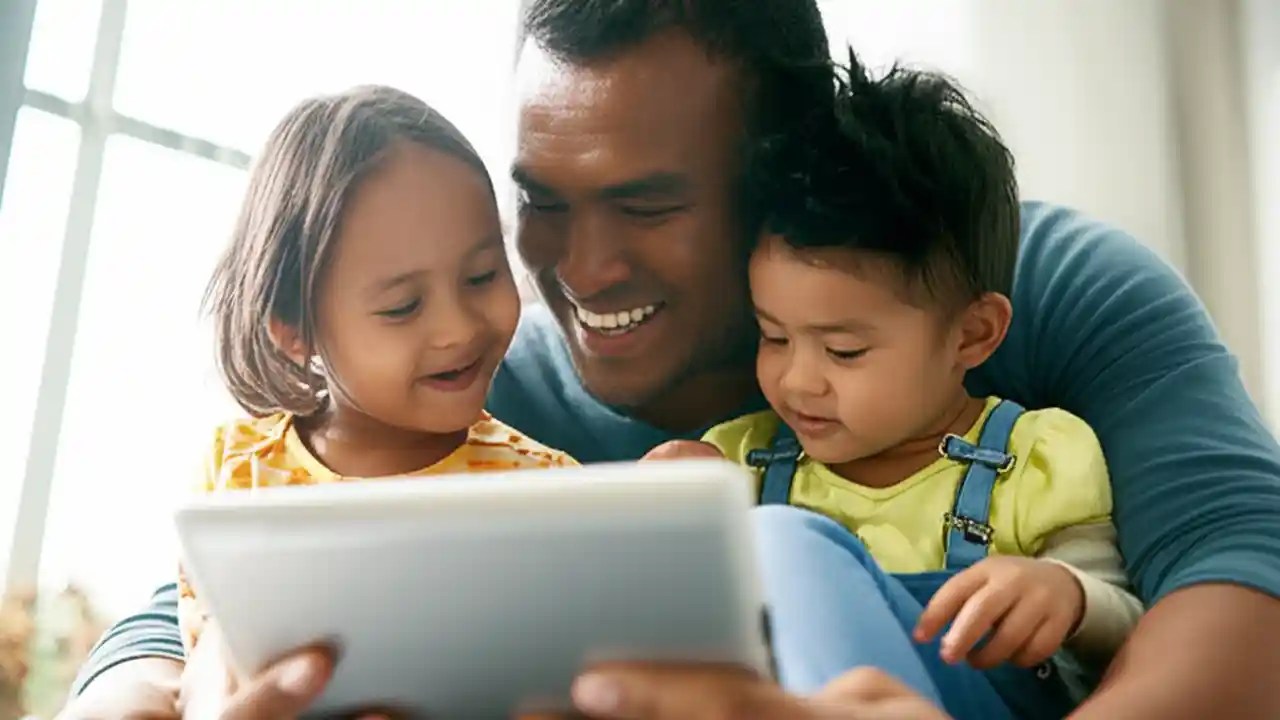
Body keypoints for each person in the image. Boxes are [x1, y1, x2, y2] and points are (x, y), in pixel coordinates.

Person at [61, 1, 1280, 718]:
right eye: (539, 202)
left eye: (645, 206)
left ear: (778, 180)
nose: (578, 272)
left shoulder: (1022, 279)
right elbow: (162, 628)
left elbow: (1244, 581)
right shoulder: (484, 394)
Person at [645, 52, 1140, 718]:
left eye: (844, 350)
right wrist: (661, 511)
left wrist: (1068, 595)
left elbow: (1129, 625)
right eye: (773, 336)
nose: (796, 380)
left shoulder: (1036, 455)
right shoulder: (738, 463)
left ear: (971, 335)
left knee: (784, 541)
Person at [174, 83, 577, 707]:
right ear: (294, 329)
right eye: (402, 306)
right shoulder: (241, 473)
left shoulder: (552, 491)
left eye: (481, 276)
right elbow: (209, 671)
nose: (459, 328)